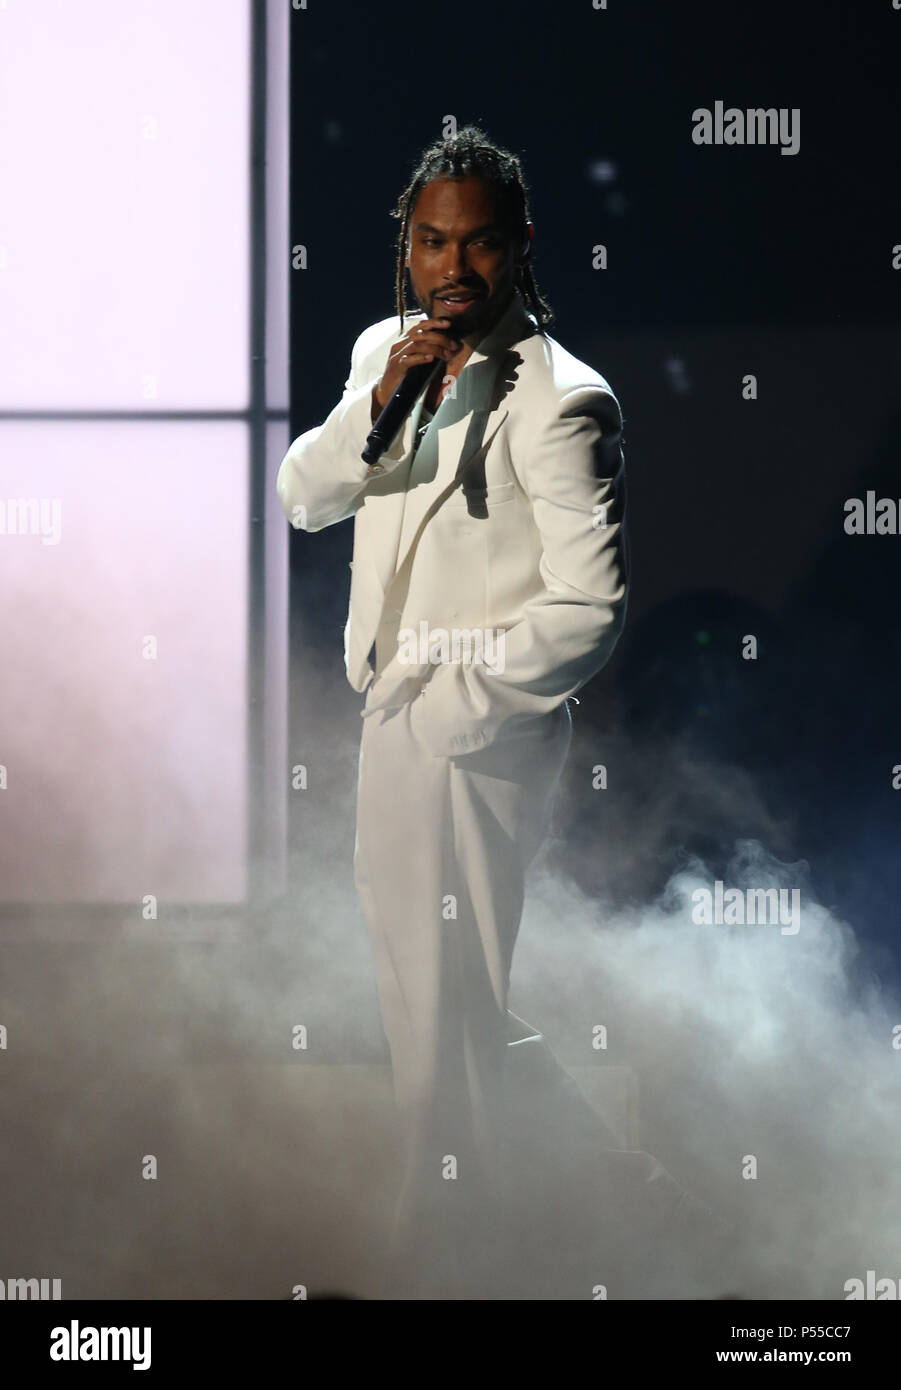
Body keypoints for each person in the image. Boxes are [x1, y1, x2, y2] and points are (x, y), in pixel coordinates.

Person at [276, 127, 631, 1298]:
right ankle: (603, 1204)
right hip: (395, 725)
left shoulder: (564, 399)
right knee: (439, 1009)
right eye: (431, 241)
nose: (451, 267)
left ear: (519, 246)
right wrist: (382, 398)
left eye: (477, 242)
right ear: (408, 246)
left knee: (440, 1024)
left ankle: (450, 1268)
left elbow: (592, 607)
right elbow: (305, 498)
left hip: (473, 745)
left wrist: (455, 704)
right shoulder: (389, 349)